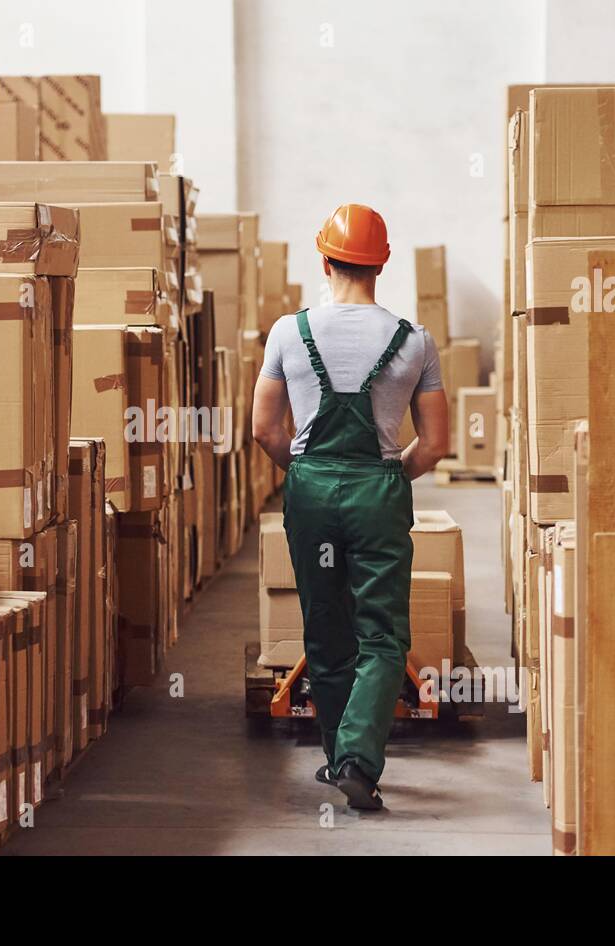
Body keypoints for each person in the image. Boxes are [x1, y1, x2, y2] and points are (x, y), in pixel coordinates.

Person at [251, 203, 449, 810]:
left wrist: (309, 475)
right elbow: (437, 443)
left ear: (325, 257)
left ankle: (339, 757)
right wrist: (388, 477)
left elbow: (263, 429)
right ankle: (359, 761)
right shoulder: (414, 340)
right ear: (381, 264)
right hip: (379, 492)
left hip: (311, 493)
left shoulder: (289, 331)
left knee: (326, 626)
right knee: (382, 633)